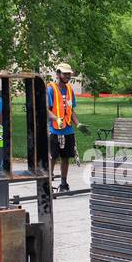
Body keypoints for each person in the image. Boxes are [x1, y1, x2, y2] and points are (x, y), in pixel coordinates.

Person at [47, 63, 77, 193]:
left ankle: (64, 184)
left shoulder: (70, 89)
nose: (67, 76)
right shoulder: (51, 89)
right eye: (65, 74)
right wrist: (55, 118)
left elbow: (72, 110)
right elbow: (46, 110)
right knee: (53, 157)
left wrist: (78, 123)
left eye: (69, 74)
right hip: (54, 129)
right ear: (58, 74)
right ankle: (48, 183)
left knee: (66, 157)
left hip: (68, 129)